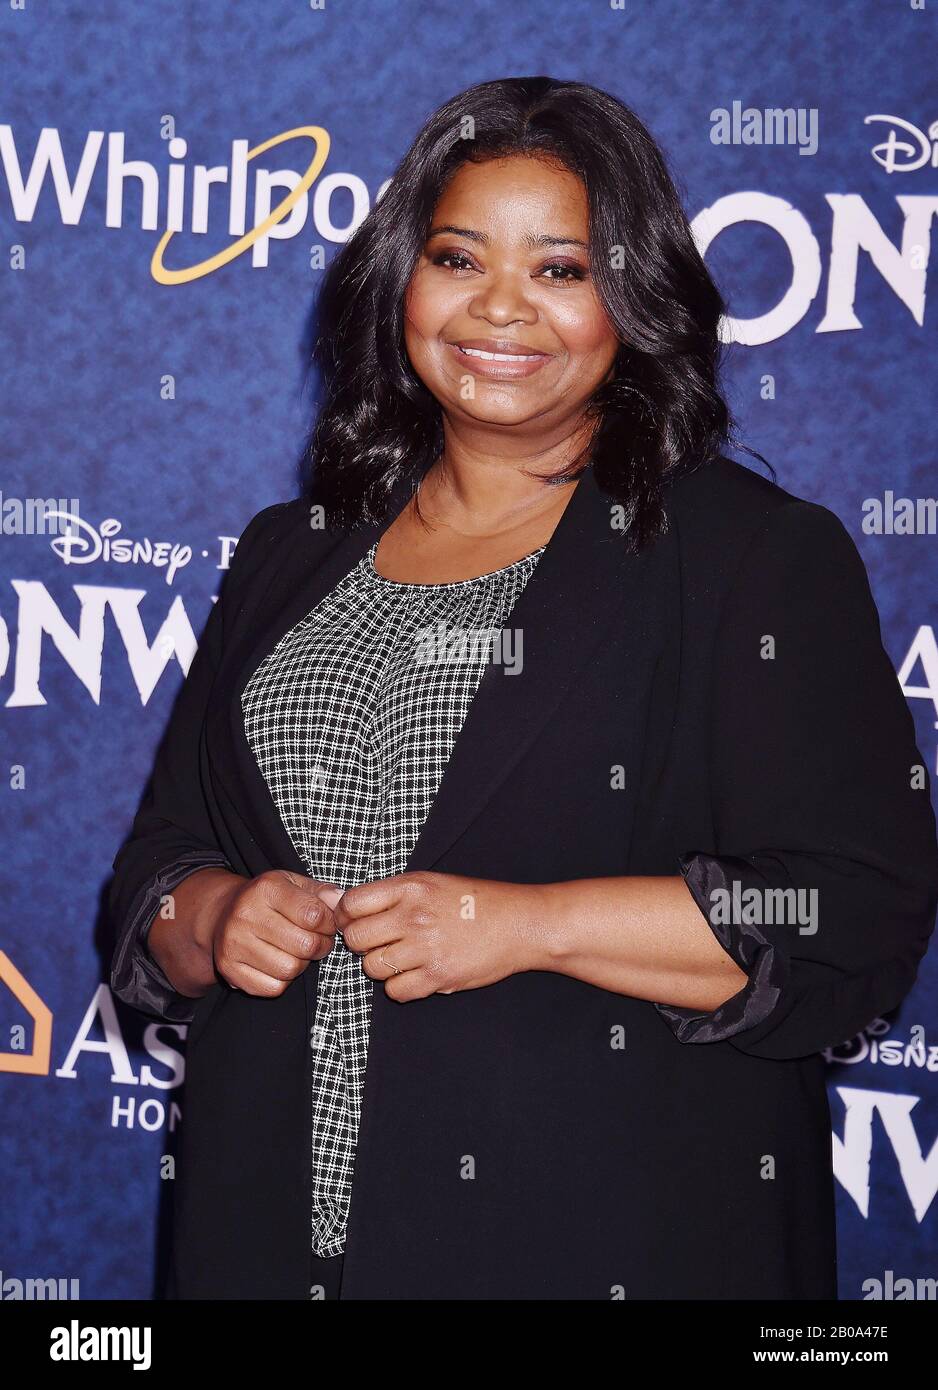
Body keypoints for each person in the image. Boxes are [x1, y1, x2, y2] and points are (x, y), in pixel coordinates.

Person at [109, 76, 938, 1301]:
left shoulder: (748, 556)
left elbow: (848, 913)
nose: (499, 307)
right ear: (403, 278)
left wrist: (527, 924)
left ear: (635, 298)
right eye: (458, 256)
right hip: (262, 1231)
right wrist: (215, 916)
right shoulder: (294, 545)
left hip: (590, 1237)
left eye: (560, 268)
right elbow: (158, 865)